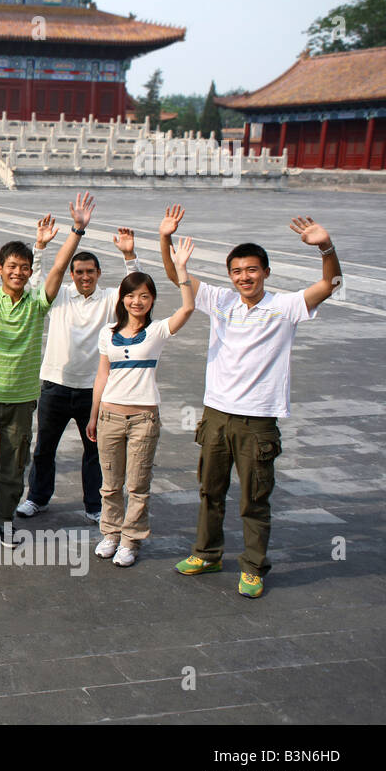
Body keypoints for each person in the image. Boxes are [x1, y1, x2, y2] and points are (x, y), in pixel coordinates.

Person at [160, 206, 340, 598]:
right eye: (237, 271)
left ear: (266, 273)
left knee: (254, 498)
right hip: (216, 415)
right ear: (231, 276)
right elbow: (177, 277)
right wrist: (166, 239)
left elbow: (329, 285)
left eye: (252, 270)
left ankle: (254, 567)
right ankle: (207, 553)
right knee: (210, 490)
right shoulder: (221, 301)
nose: (245, 277)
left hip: (257, 421)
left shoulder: (285, 307)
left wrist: (325, 247)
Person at [0, 192, 97, 548]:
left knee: (14, 468)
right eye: (12, 266)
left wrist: (77, 230)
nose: (18, 272)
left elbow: (57, 268)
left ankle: (4, 519)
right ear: (0, 269)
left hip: (22, 401)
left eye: (24, 268)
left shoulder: (38, 302)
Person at [16, 223, 142, 523]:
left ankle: (94, 504)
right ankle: (36, 498)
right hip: (55, 386)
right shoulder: (59, 295)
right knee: (44, 447)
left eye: (90, 272)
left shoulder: (111, 299)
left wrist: (129, 255)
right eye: (79, 272)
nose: (85, 277)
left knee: (95, 451)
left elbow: (136, 291)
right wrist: (40, 248)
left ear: (99, 274)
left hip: (95, 390)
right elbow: (35, 285)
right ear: (72, 275)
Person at [86, 237, 196, 568]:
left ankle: (131, 540)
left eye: (144, 296)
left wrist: (182, 270)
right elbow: (102, 376)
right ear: (122, 298)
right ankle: (110, 533)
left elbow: (188, 308)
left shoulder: (158, 331)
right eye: (131, 295)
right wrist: (93, 416)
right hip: (109, 417)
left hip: (144, 420)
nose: (137, 301)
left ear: (152, 300)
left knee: (137, 485)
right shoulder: (108, 332)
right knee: (110, 483)